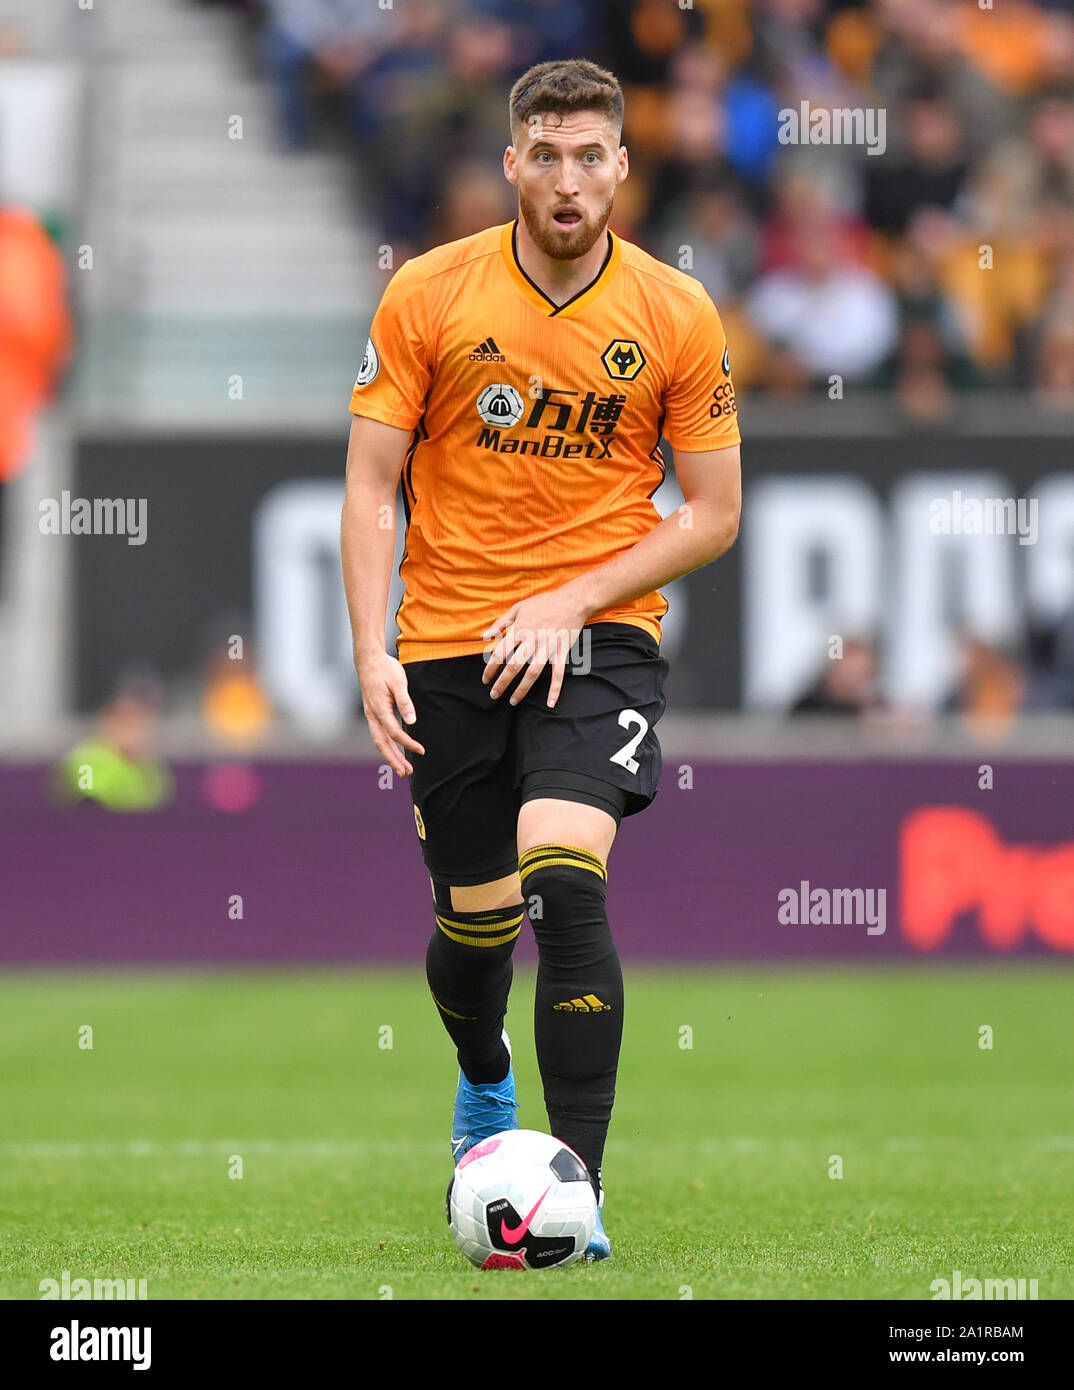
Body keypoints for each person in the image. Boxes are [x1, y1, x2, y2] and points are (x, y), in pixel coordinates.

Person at [340, 58, 741, 1262]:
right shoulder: (428, 294)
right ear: (512, 162)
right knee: (474, 933)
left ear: (624, 165)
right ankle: (482, 1068)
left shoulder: (675, 311)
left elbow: (712, 511)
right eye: (546, 155)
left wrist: (574, 598)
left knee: (564, 881)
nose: (569, 180)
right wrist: (371, 651)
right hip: (451, 644)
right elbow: (369, 484)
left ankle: (581, 1194)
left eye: (591, 156)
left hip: (601, 640)